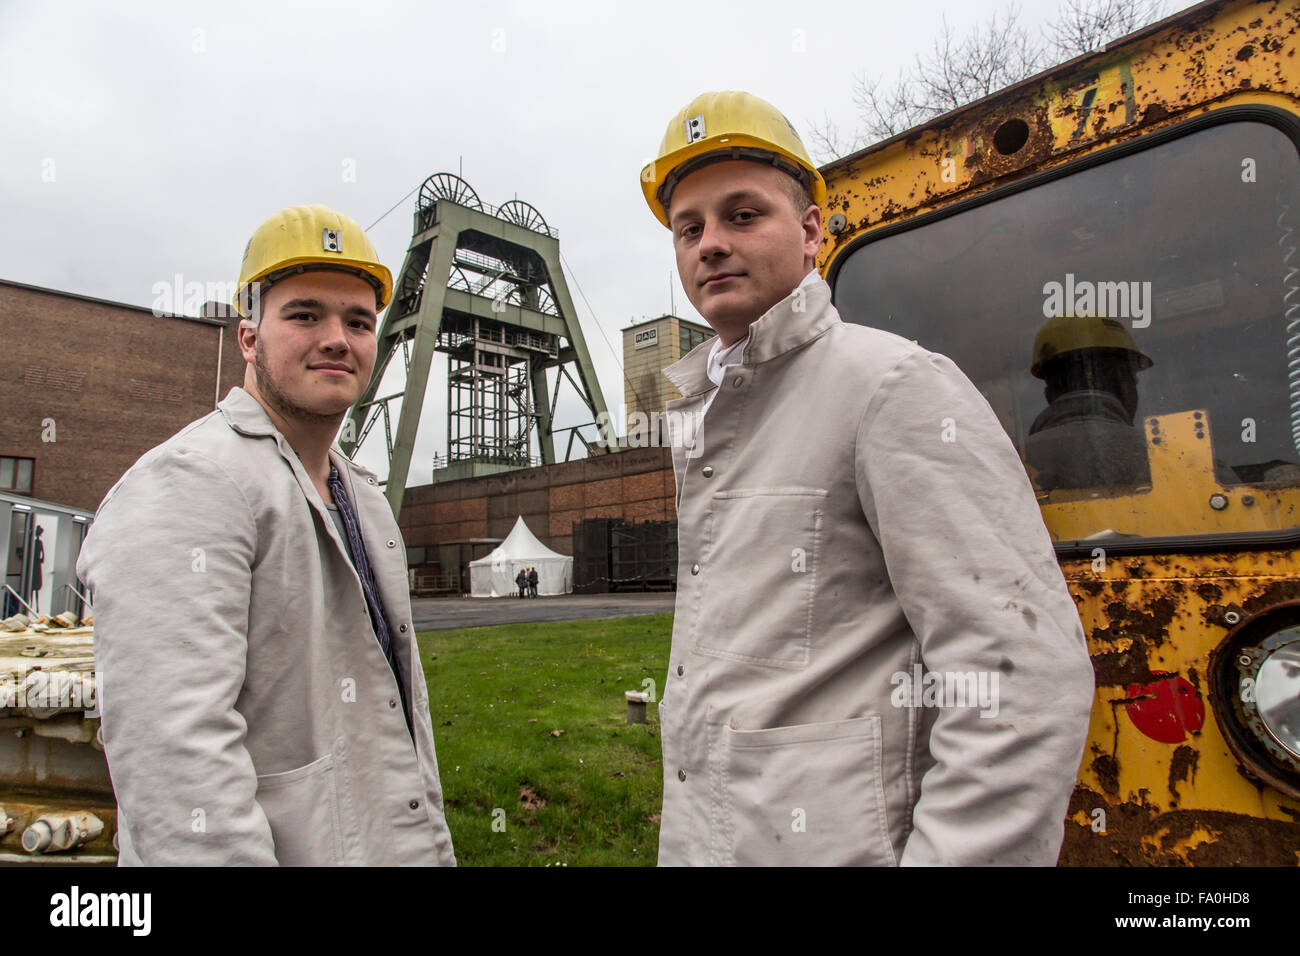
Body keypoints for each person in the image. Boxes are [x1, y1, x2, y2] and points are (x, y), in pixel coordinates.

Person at [641, 91, 1095, 866]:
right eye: (691, 227)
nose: (710, 243)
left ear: (812, 230)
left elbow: (1018, 680)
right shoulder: (708, 416)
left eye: (742, 215)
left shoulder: (891, 387)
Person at [75, 204, 456, 866]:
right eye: (305, 315)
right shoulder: (190, 486)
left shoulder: (363, 502)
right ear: (249, 338)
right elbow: (178, 768)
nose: (338, 338)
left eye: (359, 321)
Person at [1024, 312, 1153, 492]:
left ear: (1049, 394)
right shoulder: (1156, 457)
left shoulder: (1017, 464)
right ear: (1122, 378)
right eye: (1135, 382)